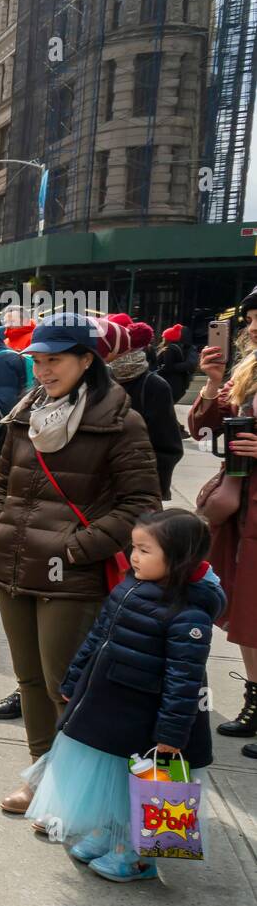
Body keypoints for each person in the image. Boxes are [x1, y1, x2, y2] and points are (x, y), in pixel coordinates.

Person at [0, 314, 161, 813]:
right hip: (12, 564)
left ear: (86, 360)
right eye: (38, 360)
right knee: (29, 679)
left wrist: (77, 548)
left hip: (70, 575)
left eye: (55, 360)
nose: (44, 370)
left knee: (64, 685)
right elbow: (2, 481)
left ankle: (74, 787)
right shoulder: (24, 414)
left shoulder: (122, 421)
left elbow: (142, 506)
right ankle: (40, 774)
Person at [24, 509, 221, 882]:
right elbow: (98, 638)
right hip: (114, 707)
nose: (134, 557)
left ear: (178, 558)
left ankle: (139, 855)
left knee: (148, 783)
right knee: (114, 777)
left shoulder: (189, 615)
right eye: (134, 548)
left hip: (151, 718)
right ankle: (111, 833)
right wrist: (74, 680)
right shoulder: (130, 586)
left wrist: (172, 734)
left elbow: (185, 680)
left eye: (145, 550)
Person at [188, 287, 257, 754]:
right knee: (247, 607)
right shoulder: (248, 373)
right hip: (241, 504)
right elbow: (205, 431)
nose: (251, 328)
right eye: (251, 319)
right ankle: (255, 698)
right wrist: (213, 384)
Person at [107, 320, 183, 499]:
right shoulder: (96, 380)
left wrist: (143, 487)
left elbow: (169, 448)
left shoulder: (154, 386)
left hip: (137, 492)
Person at [157, 323, 194, 404]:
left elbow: (167, 367)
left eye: (164, 336)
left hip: (169, 382)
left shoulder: (168, 350)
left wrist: (156, 372)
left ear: (167, 338)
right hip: (177, 383)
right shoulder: (178, 348)